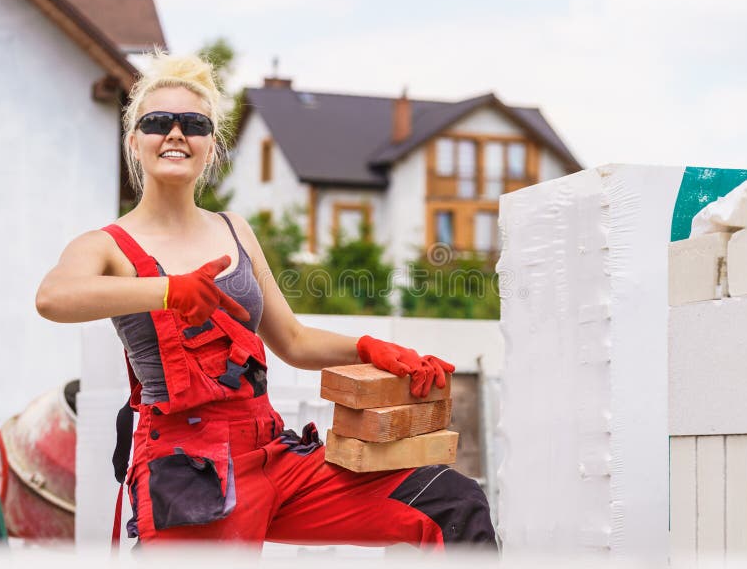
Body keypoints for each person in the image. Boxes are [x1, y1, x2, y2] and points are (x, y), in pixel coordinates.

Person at [35, 52, 496, 550]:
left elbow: (292, 340)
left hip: (273, 455)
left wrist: (369, 348)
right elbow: (54, 298)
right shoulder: (105, 244)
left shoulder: (235, 231)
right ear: (133, 140)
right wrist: (169, 290)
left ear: (211, 146)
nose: (175, 133)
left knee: (448, 501)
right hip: (189, 472)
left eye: (193, 124)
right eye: (157, 122)